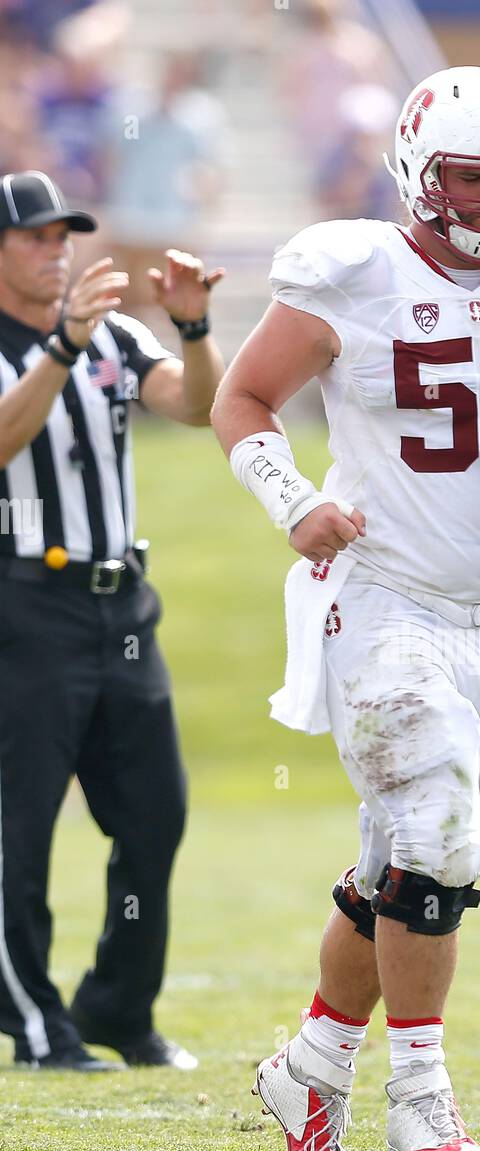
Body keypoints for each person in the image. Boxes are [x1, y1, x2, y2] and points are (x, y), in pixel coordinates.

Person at [211, 66, 480, 1151]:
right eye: (472, 177)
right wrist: (293, 500)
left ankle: (310, 1067)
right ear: (416, 167)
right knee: (440, 831)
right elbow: (241, 397)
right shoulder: (350, 273)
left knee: (405, 860)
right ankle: (421, 1100)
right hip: (379, 593)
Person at [0, 170, 225, 1070]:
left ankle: (118, 1009)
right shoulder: (54, 342)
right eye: (36, 237)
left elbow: (196, 403)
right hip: (24, 604)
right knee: (21, 826)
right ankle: (32, 1019)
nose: (57, 252)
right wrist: (59, 345)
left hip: (121, 602)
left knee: (154, 816)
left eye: (65, 236)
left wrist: (196, 327)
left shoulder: (114, 336)